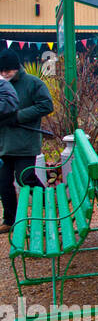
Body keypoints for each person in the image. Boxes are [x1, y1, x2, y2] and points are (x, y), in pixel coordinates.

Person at [0, 49, 54, 233]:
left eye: (8, 70)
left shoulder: (33, 82)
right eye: (1, 70)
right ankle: (10, 220)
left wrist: (19, 116)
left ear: (17, 67)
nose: (5, 73)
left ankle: (50, 207)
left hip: (25, 143)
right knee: (3, 182)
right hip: (4, 143)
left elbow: (46, 105)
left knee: (25, 177)